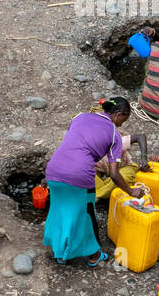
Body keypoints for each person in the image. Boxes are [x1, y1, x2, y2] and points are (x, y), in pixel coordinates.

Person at [43, 97, 144, 267]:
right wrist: (131, 191)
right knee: (86, 215)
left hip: (54, 170)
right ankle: (94, 255)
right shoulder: (114, 134)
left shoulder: (79, 117)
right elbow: (113, 173)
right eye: (123, 120)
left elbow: (74, 143)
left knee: (61, 212)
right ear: (118, 114)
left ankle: (61, 254)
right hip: (78, 175)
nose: (121, 125)